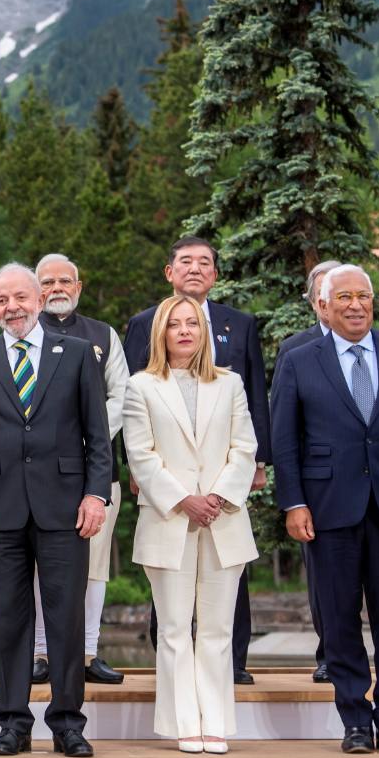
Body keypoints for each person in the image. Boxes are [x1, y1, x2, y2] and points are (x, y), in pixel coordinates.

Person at [271, 264, 379, 755]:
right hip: (327, 509)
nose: (355, 305)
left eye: (363, 296)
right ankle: (354, 719)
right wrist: (294, 502)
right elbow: (285, 441)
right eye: (343, 296)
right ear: (323, 306)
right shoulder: (300, 361)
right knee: (340, 617)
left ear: (373, 302)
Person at [0, 264, 111, 758]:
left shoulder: (80, 355)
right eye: (1, 300)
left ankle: (67, 722)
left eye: (20, 297)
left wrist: (96, 494)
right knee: (7, 621)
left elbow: (98, 437)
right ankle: (13, 723)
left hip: (65, 508)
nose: (12, 307)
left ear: (39, 299)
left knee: (65, 619)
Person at [124, 236, 270, 683]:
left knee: (227, 572)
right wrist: (138, 472)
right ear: (169, 272)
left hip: (225, 482)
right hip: (167, 483)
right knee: (170, 574)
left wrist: (257, 464)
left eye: (204, 262)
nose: (194, 268)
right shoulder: (145, 323)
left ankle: (234, 663)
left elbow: (255, 398)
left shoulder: (239, 324)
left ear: (215, 274)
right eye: (185, 261)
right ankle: (170, 664)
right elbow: (133, 397)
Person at [124, 295, 259, 754]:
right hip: (169, 520)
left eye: (192, 325)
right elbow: (141, 456)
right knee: (176, 629)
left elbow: (244, 448)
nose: (185, 331)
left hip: (224, 519)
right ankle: (185, 723)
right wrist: (185, 500)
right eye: (174, 324)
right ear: (160, 333)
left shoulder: (230, 383)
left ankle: (216, 721)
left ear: (203, 334)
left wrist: (216, 497)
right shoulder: (141, 387)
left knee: (219, 629)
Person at [32, 254, 130, 686]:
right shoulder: (23, 333)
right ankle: (40, 653)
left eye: (65, 280)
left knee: (93, 565)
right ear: (36, 290)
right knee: (38, 565)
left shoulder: (103, 336)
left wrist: (82, 437)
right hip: (37, 472)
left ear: (79, 285)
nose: (57, 287)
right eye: (48, 281)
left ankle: (88, 653)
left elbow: (121, 396)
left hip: (95, 468)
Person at [278, 259, 340, 684]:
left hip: (373, 483)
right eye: (322, 292)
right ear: (314, 301)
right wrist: (295, 494)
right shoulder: (294, 349)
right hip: (319, 485)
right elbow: (286, 426)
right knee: (324, 579)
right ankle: (330, 653)